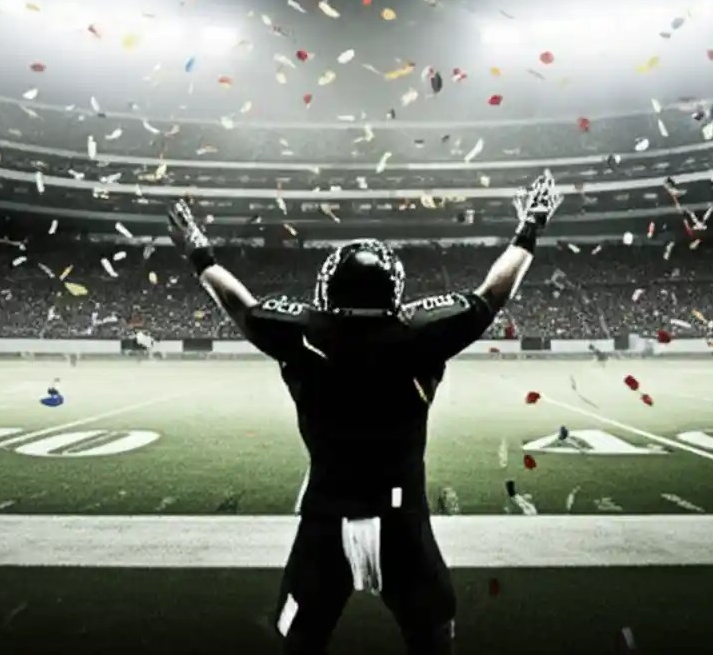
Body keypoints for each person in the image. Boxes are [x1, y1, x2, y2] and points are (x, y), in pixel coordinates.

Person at [168, 172, 563, 655]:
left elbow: (238, 303)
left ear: (328, 286)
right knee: (432, 634)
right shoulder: (420, 333)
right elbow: (493, 292)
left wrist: (198, 251)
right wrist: (530, 228)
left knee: (301, 638)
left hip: (326, 514)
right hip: (403, 518)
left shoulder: (302, 332)